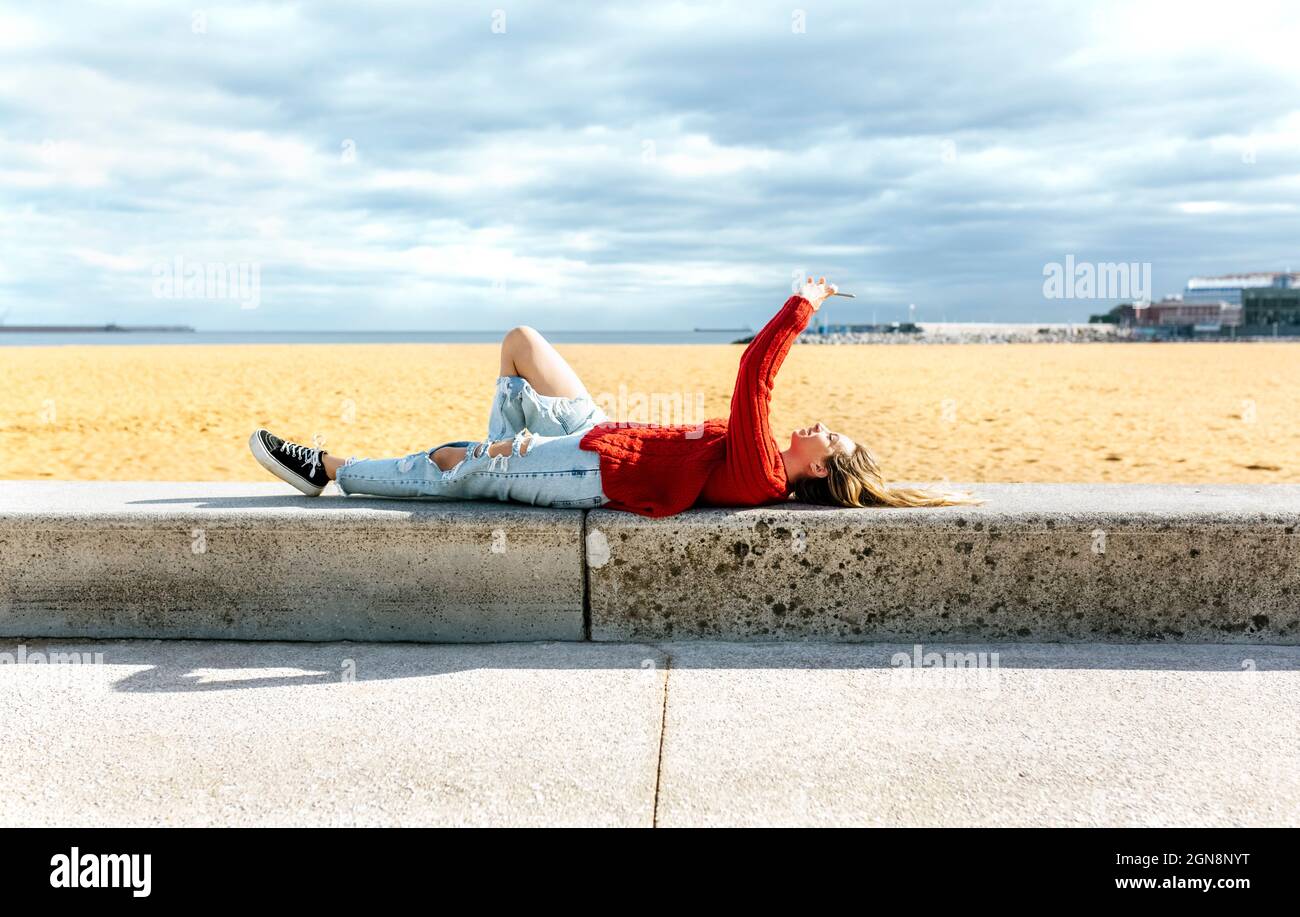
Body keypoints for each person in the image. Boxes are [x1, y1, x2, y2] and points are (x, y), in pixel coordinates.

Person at [249, 277, 980, 516]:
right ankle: (487, 474)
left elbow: (754, 371)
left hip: (591, 472)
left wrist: (804, 302)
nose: (823, 426)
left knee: (447, 459)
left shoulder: (764, 472)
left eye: (833, 437)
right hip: (601, 435)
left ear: (817, 468)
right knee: (521, 344)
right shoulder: (759, 462)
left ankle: (333, 469)